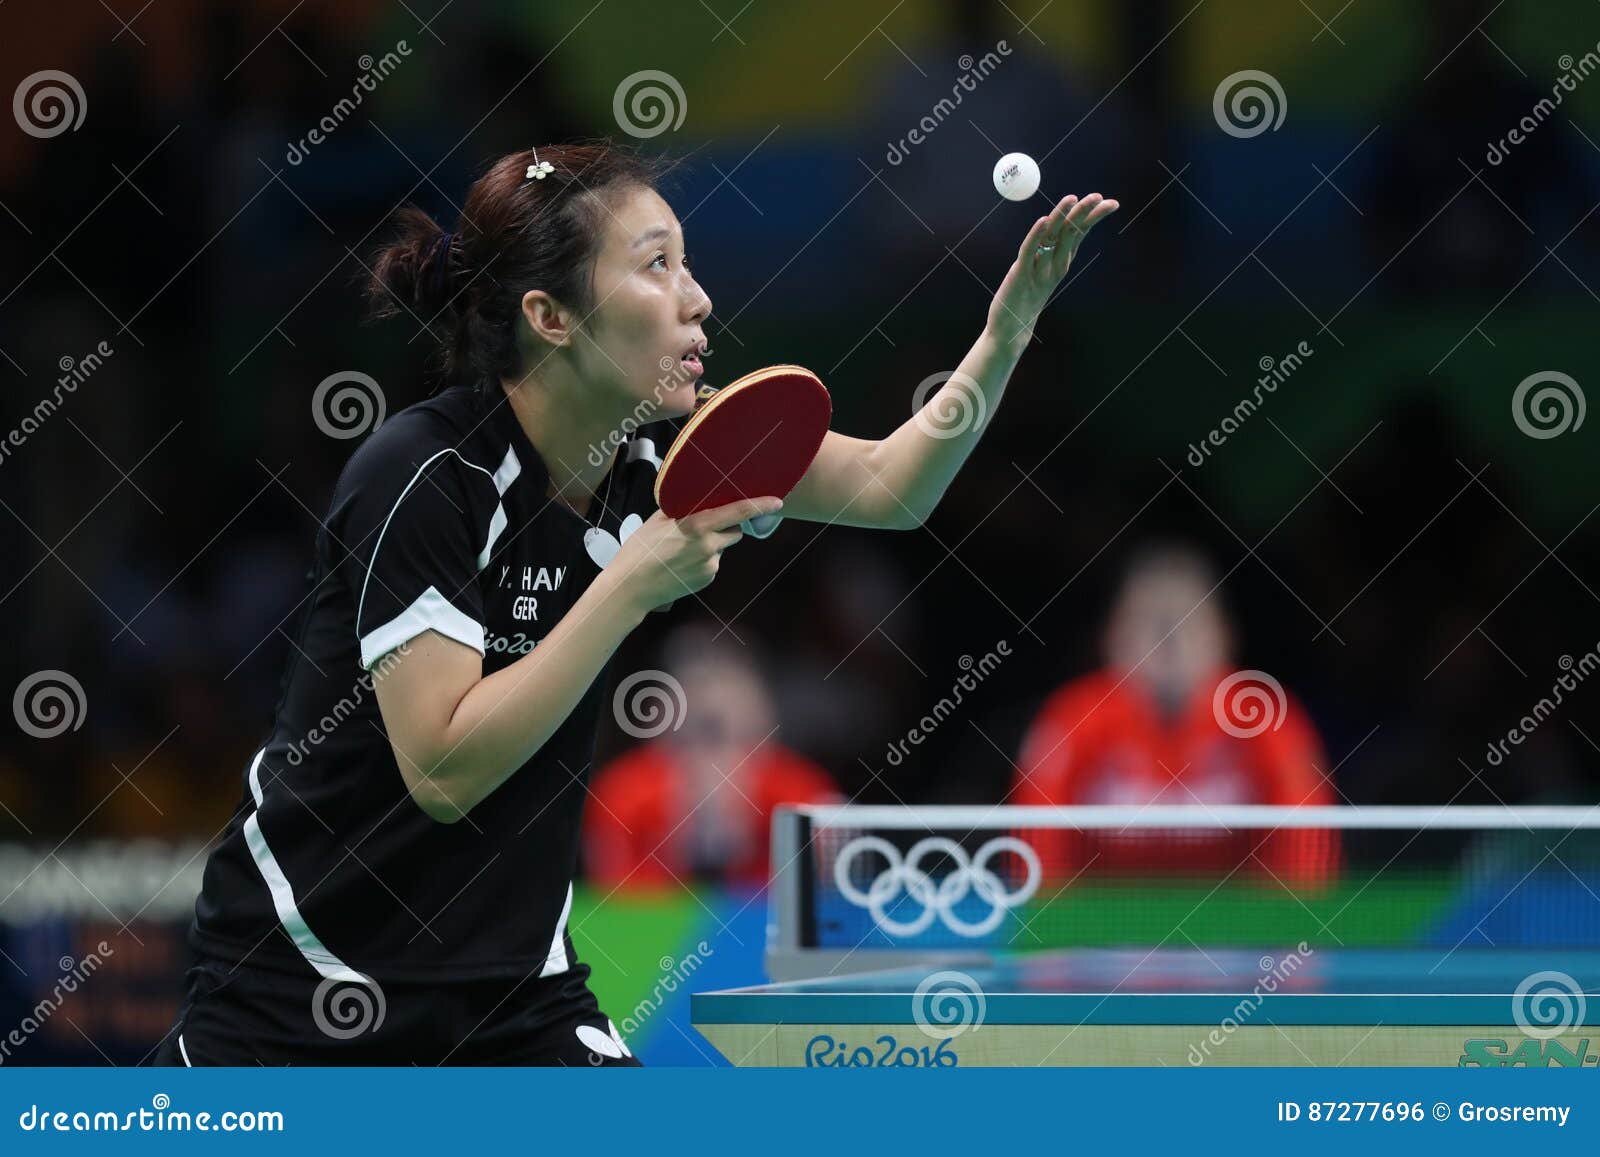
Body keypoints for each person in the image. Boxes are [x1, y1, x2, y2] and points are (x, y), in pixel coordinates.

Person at [153, 141, 1118, 1066]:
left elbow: (891, 487)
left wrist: (1004, 336)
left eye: (686, 264)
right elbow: (444, 767)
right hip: (297, 993)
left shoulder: (667, 451)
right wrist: (630, 582)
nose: (698, 297)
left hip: (512, 998)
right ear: (552, 316)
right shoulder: (426, 477)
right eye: (658, 266)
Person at [1013, 542, 1338, 882]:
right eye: (1148, 624)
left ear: (1223, 636)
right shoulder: (1072, 716)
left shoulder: (1263, 714)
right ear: (1112, 637)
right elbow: (1035, 847)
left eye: (1189, 623)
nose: (1171, 644)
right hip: (1107, 911)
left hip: (1236, 911)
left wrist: (1285, 915)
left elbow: (1308, 845)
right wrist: (1057, 914)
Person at [585, 624, 837, 890]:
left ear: (762, 712)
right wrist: (675, 837)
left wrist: (751, 831)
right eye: (699, 734)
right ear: (658, 713)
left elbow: (820, 896)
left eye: (732, 735)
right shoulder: (621, 791)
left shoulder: (803, 792)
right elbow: (614, 897)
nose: (713, 757)